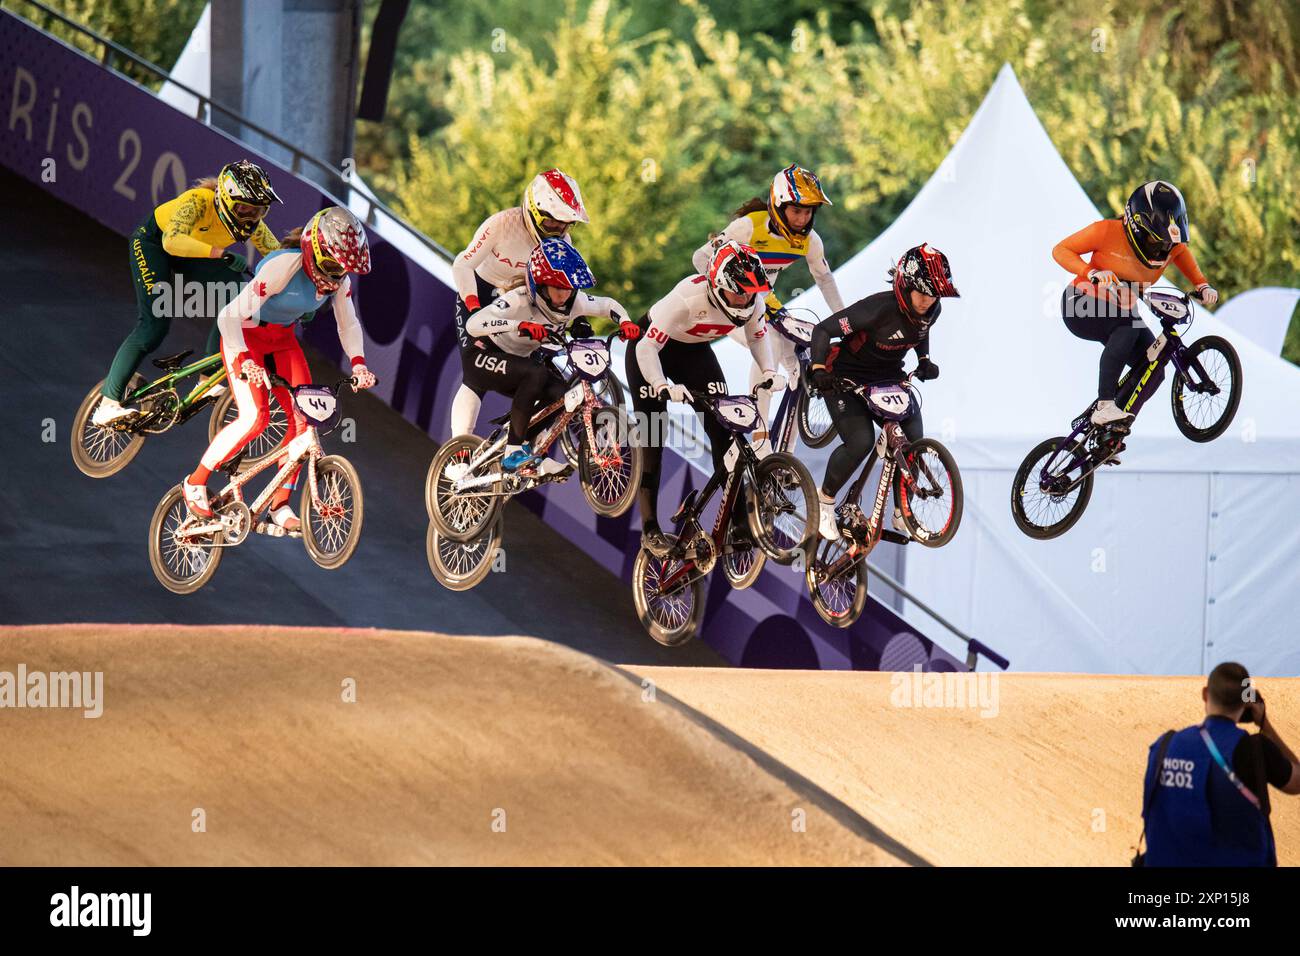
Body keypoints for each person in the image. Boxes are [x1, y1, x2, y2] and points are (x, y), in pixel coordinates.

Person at [181, 207, 377, 530]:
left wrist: (359, 364)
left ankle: (279, 504)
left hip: (281, 340)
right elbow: (229, 316)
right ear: (313, 250)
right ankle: (195, 482)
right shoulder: (283, 266)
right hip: (245, 335)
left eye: (342, 271)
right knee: (256, 418)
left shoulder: (338, 281)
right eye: (331, 266)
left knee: (305, 424)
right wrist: (244, 358)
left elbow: (348, 324)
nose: (334, 277)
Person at [93, 160, 283, 426]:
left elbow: (280, 259)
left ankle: (207, 377)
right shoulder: (199, 201)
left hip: (194, 252)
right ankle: (107, 404)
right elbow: (171, 241)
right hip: (154, 244)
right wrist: (220, 253)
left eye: (259, 211)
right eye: (245, 209)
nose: (251, 217)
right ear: (227, 200)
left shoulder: (253, 224)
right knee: (153, 327)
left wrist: (309, 292)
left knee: (237, 301)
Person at [629, 240, 784, 556]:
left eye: (749, 293)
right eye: (738, 292)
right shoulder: (688, 297)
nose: (743, 300)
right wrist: (660, 384)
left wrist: (769, 370)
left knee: (725, 431)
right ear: (720, 283)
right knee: (653, 433)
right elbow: (647, 348)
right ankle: (649, 527)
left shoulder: (753, 302)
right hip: (651, 350)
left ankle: (739, 520)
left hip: (694, 352)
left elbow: (758, 339)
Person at [807, 244, 957, 542]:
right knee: (860, 442)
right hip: (846, 377)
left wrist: (924, 361)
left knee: (915, 441)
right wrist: (819, 369)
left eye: (934, 294)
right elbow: (822, 331)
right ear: (905, 286)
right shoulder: (877, 309)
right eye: (923, 293)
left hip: (888, 377)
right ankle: (824, 502)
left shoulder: (933, 308)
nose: (928, 301)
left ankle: (904, 510)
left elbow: (920, 332)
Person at [693, 164, 845, 455]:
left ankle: (785, 453)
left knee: (800, 361)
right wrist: (727, 291)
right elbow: (700, 258)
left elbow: (825, 279)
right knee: (771, 340)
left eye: (809, 211)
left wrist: (844, 321)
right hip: (723, 305)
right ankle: (760, 438)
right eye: (796, 211)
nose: (802, 219)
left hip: (761, 302)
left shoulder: (810, 242)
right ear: (778, 205)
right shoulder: (749, 227)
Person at [462, 237, 638, 472]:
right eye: (558, 288)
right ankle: (512, 452)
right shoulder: (519, 299)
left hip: (519, 365)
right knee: (535, 373)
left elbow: (607, 305)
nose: (564, 295)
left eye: (569, 288)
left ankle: (521, 443)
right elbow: (474, 324)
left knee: (561, 395)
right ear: (540, 285)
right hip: (483, 357)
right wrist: (519, 326)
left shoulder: (574, 301)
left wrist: (625, 321)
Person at [1053, 180, 1218, 429]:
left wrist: (1202, 284)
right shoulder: (1106, 231)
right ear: (1136, 226)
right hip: (1081, 304)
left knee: (1154, 368)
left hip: (1121, 314)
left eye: (1168, 243)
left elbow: (1182, 253)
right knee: (1127, 324)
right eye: (1157, 240)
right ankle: (1105, 406)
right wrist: (1090, 272)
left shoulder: (1172, 247)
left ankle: (1111, 430)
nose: (1163, 249)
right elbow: (1061, 249)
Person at [449, 169, 589, 436]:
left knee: (546, 380)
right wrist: (473, 307)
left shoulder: (563, 242)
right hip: (481, 293)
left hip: (523, 305)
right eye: (552, 224)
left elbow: (566, 287)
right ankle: (458, 453)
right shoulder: (502, 224)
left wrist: (578, 319)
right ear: (535, 212)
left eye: (565, 225)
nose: (557, 232)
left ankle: (522, 448)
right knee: (476, 375)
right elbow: (462, 264)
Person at [1140, 661, 1300, 867]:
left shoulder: (1163, 745)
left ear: (1205, 694)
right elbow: (1297, 781)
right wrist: (1265, 725)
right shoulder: (1254, 749)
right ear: (1245, 704)